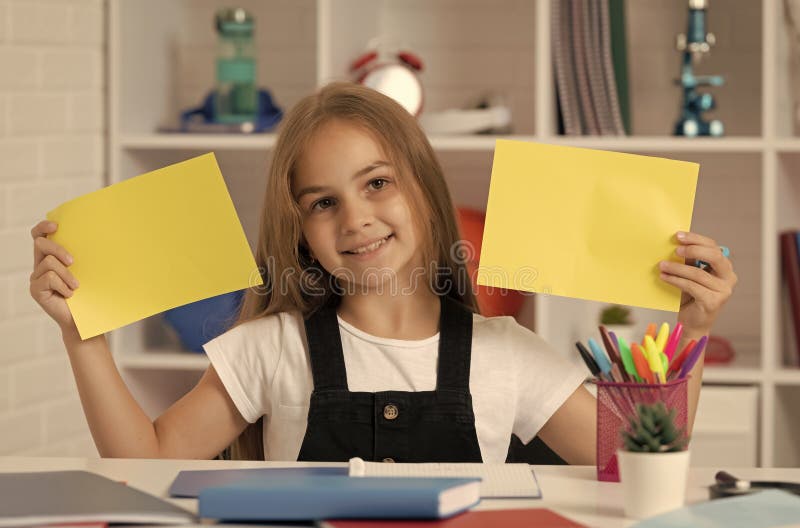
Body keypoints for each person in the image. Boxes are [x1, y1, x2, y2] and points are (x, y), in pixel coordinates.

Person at [29, 82, 738, 464]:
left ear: (426, 192)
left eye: (376, 184)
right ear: (301, 230)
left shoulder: (507, 354)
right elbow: (144, 460)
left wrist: (694, 326)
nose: (356, 220)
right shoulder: (273, 347)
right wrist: (80, 335)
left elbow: (641, 456)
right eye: (323, 202)